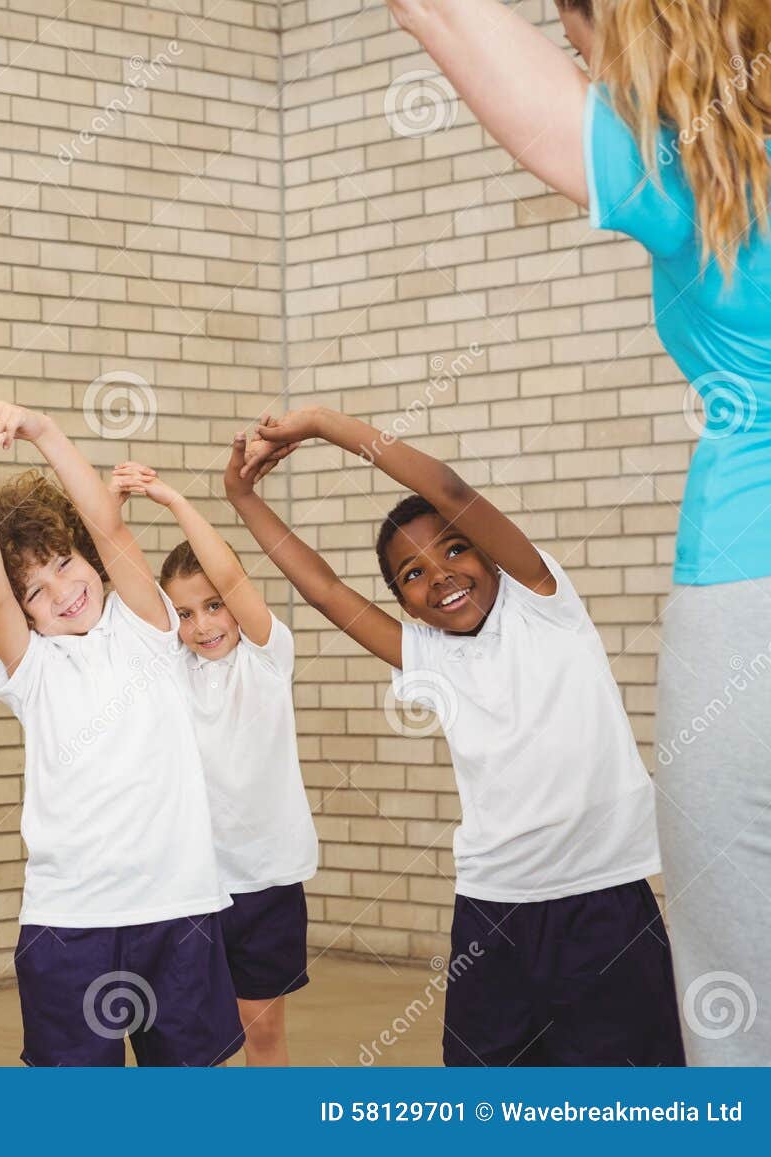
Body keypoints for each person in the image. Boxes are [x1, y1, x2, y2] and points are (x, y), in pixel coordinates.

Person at [381, 0, 771, 1064]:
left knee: (741, 986)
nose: (570, 55)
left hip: (750, 579)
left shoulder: (698, 169)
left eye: (577, 32)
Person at [229, 407, 684, 1065]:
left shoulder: (544, 603)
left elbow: (451, 492)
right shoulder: (427, 654)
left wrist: (326, 425)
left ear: (488, 553)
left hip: (602, 905)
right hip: (492, 913)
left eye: (454, 548)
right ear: (403, 603)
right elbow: (325, 589)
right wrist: (242, 497)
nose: (438, 575)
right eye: (410, 574)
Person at [0, 401, 240, 1067]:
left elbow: (107, 520)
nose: (62, 589)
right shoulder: (33, 667)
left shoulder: (147, 628)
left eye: (65, 563)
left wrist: (42, 430)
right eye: (35, 592)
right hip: (70, 921)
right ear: (22, 617)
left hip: (177, 908)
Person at [111, 460, 318, 1067]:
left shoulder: (266, 655)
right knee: (195, 1043)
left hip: (267, 880)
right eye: (182, 613)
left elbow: (226, 568)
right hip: (194, 884)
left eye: (213, 606)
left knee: (262, 1033)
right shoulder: (169, 669)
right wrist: (114, 507)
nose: (200, 625)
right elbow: (122, 576)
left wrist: (174, 501)